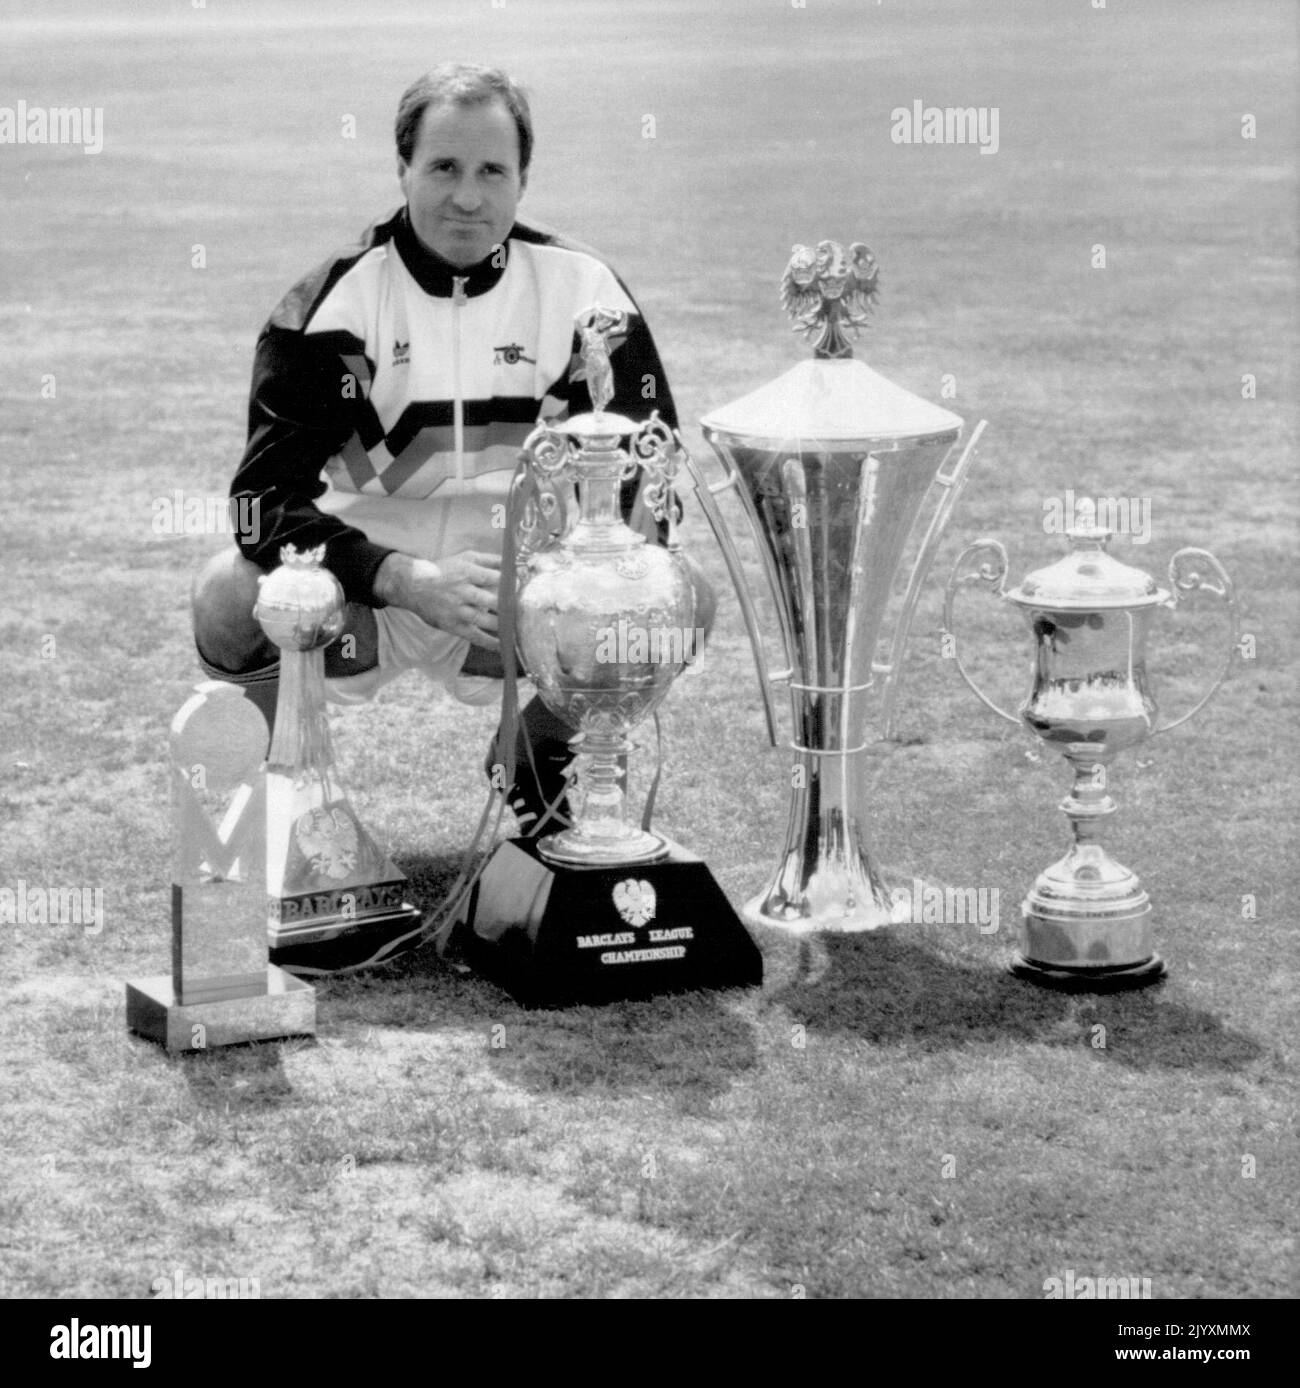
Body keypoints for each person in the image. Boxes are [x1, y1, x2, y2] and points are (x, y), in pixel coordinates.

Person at [192, 62, 713, 836]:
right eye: (443, 167)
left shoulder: (586, 296)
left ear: (523, 180)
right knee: (229, 595)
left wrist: (573, 598)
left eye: (491, 171)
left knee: (686, 597)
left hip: (516, 603)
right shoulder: (333, 306)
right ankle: (273, 818)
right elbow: (259, 507)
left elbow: (650, 487)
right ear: (402, 169)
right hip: (359, 599)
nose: (468, 196)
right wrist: (400, 578)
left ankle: (542, 766)